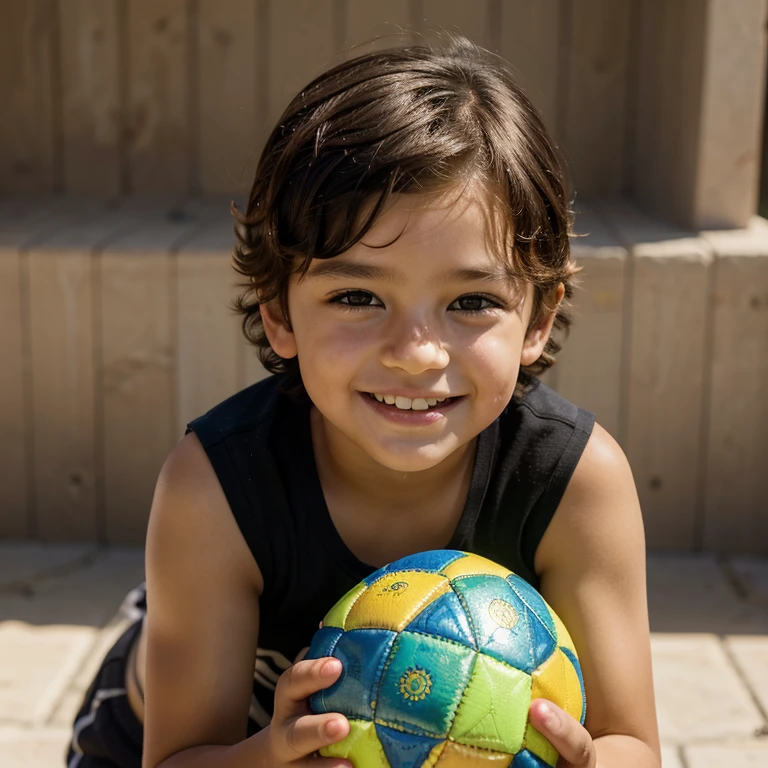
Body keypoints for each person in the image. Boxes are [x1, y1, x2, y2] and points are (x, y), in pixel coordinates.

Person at [67, 35, 660, 768]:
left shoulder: (574, 482)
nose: (416, 352)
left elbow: (634, 744)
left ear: (537, 319)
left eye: (471, 301)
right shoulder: (216, 486)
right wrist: (272, 757)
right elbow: (178, 758)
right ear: (279, 314)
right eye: (357, 296)